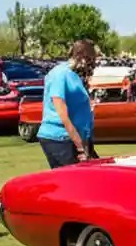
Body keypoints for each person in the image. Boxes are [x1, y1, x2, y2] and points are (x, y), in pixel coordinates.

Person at [37, 40, 96, 169]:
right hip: (60, 138)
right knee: (76, 178)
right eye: (91, 60)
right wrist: (79, 146)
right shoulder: (60, 75)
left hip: (76, 137)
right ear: (82, 57)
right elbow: (62, 114)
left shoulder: (74, 75)